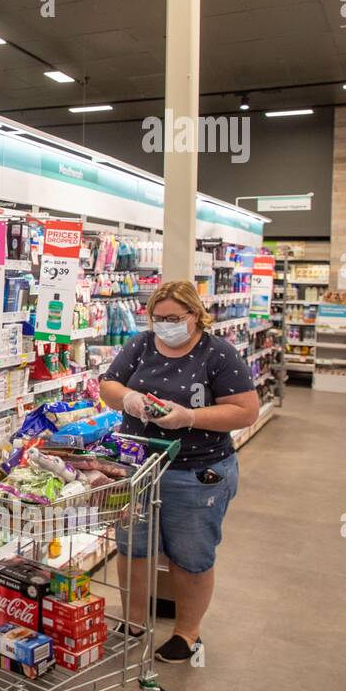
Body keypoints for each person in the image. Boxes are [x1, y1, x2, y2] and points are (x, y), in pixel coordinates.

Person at [98, 280, 260, 664]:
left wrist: (189, 417)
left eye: (174, 318)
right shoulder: (140, 344)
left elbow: (245, 410)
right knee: (133, 548)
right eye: (158, 318)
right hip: (136, 468)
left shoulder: (217, 354)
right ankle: (133, 622)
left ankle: (187, 634)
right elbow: (108, 385)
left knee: (190, 555)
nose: (165, 324)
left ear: (195, 315)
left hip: (196, 471)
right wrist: (130, 399)